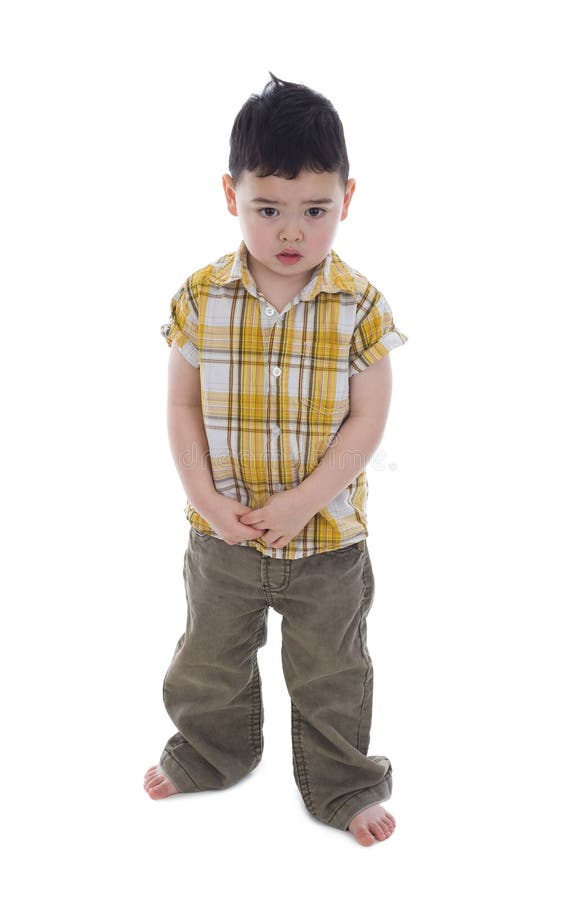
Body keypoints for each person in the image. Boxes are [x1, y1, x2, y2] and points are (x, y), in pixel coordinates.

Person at [144, 72, 408, 847]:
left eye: (314, 211)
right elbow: (181, 405)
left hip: (326, 543)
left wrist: (303, 500)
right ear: (232, 195)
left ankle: (343, 783)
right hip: (221, 533)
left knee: (332, 672)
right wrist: (204, 497)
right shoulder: (201, 297)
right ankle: (208, 750)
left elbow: (368, 417)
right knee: (207, 659)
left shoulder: (358, 305)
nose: (290, 232)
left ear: (346, 199)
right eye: (268, 209)